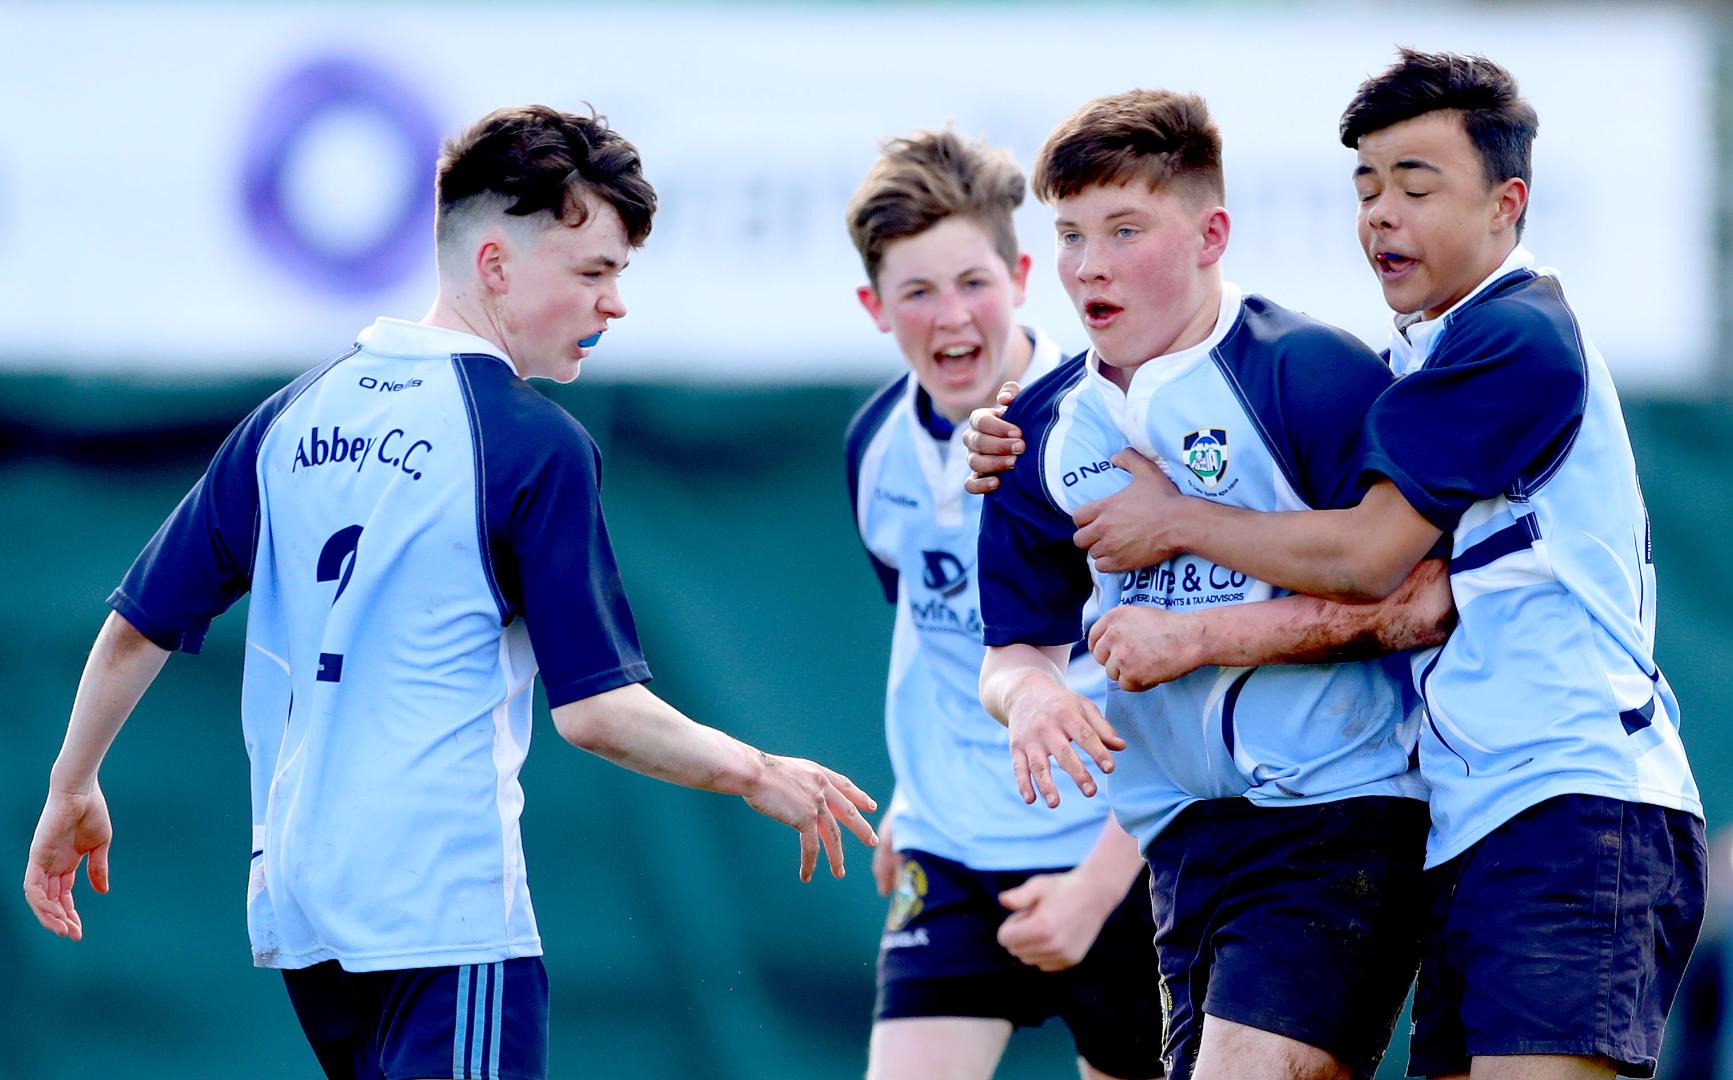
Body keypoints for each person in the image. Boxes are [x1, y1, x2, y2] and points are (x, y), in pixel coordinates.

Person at [22, 103, 878, 1080]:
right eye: (593, 272)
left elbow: (137, 625)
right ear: (495, 267)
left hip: (303, 915)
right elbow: (596, 713)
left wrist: (70, 783)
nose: (614, 305)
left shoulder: (288, 418)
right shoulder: (529, 442)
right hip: (438, 915)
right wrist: (755, 770)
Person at [990, 51, 1707, 1080]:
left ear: (1506, 204)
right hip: (1472, 819)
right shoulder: (1423, 350)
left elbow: (1373, 562)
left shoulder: (1514, 336)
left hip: (1574, 802)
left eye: (1416, 187)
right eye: (1365, 186)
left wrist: (1175, 525)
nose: (1380, 214)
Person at [971, 88, 1454, 1080]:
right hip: (1178, 843)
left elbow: (1420, 598)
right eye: (1067, 234)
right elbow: (1013, 648)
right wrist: (1029, 700)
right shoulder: (1036, 430)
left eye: (1123, 229)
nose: (1088, 264)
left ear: (1208, 234)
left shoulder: (1308, 373)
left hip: (1336, 815)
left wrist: (1193, 636)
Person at [842, 128, 1163, 1080]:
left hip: (1116, 854)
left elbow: (1181, 681)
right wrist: (913, 798)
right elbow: (940, 636)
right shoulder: (874, 450)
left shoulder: (1107, 428)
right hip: (951, 853)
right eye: (916, 291)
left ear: (1022, 274)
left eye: (972, 282)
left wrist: (1096, 888)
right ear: (873, 306)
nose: (951, 318)